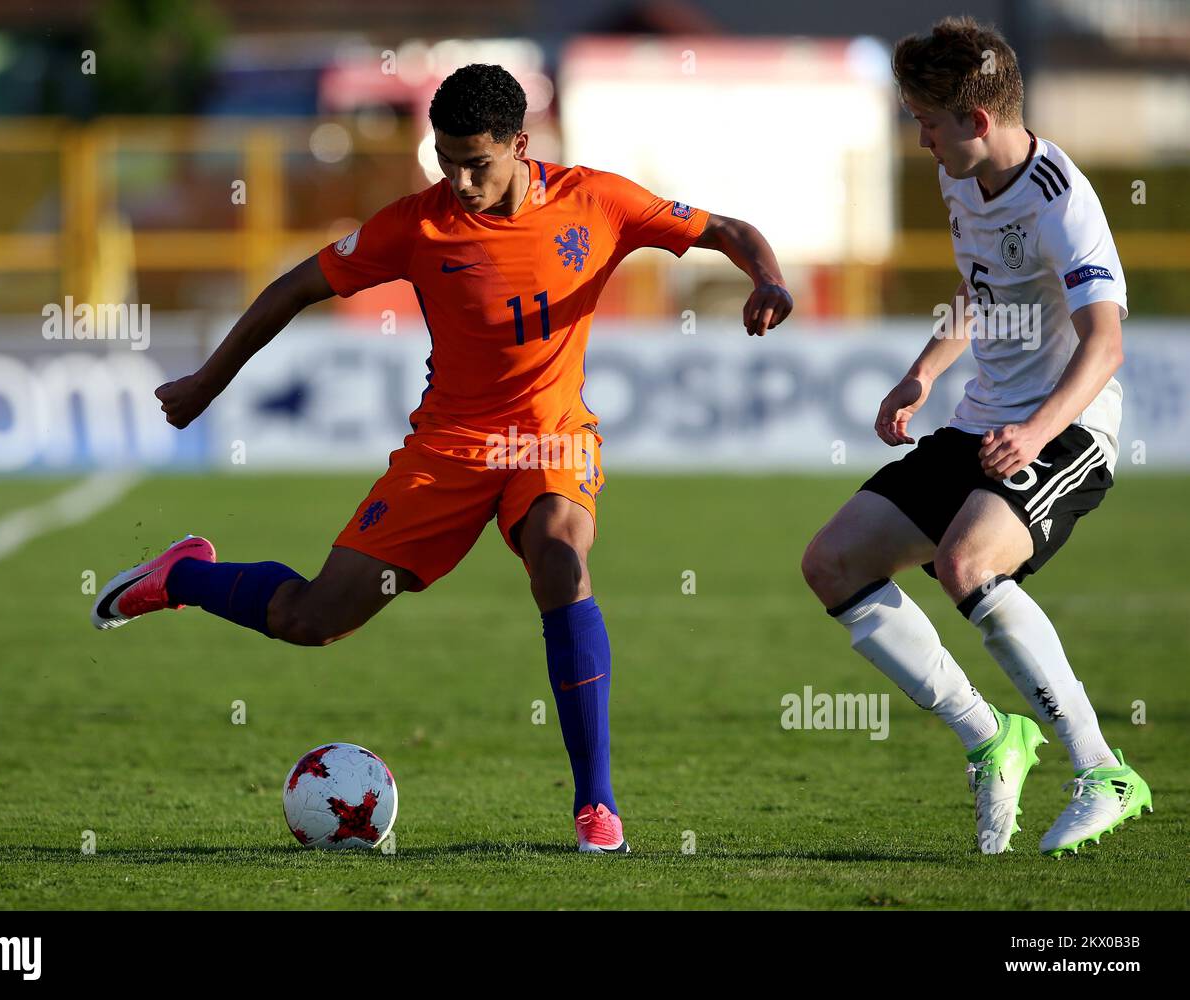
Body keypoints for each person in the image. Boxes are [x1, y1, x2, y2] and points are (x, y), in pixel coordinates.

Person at [92, 63, 792, 854]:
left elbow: (726, 230)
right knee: (309, 621)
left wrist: (768, 278)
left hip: (551, 440)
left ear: (522, 145)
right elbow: (294, 288)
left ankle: (596, 807)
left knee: (561, 559)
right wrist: (208, 382)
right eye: (444, 159)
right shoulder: (416, 225)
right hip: (448, 450)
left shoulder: (599, 200)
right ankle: (182, 574)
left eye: (476, 163)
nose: (457, 180)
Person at [801, 17, 1151, 857]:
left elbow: (1106, 342)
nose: (917, 137)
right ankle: (991, 736)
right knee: (832, 563)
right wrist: (924, 371)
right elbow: (979, 290)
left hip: (1067, 427)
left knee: (966, 562)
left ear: (977, 120)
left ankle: (1102, 768)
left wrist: (1035, 431)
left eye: (926, 119)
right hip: (986, 421)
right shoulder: (964, 176)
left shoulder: (1061, 199)